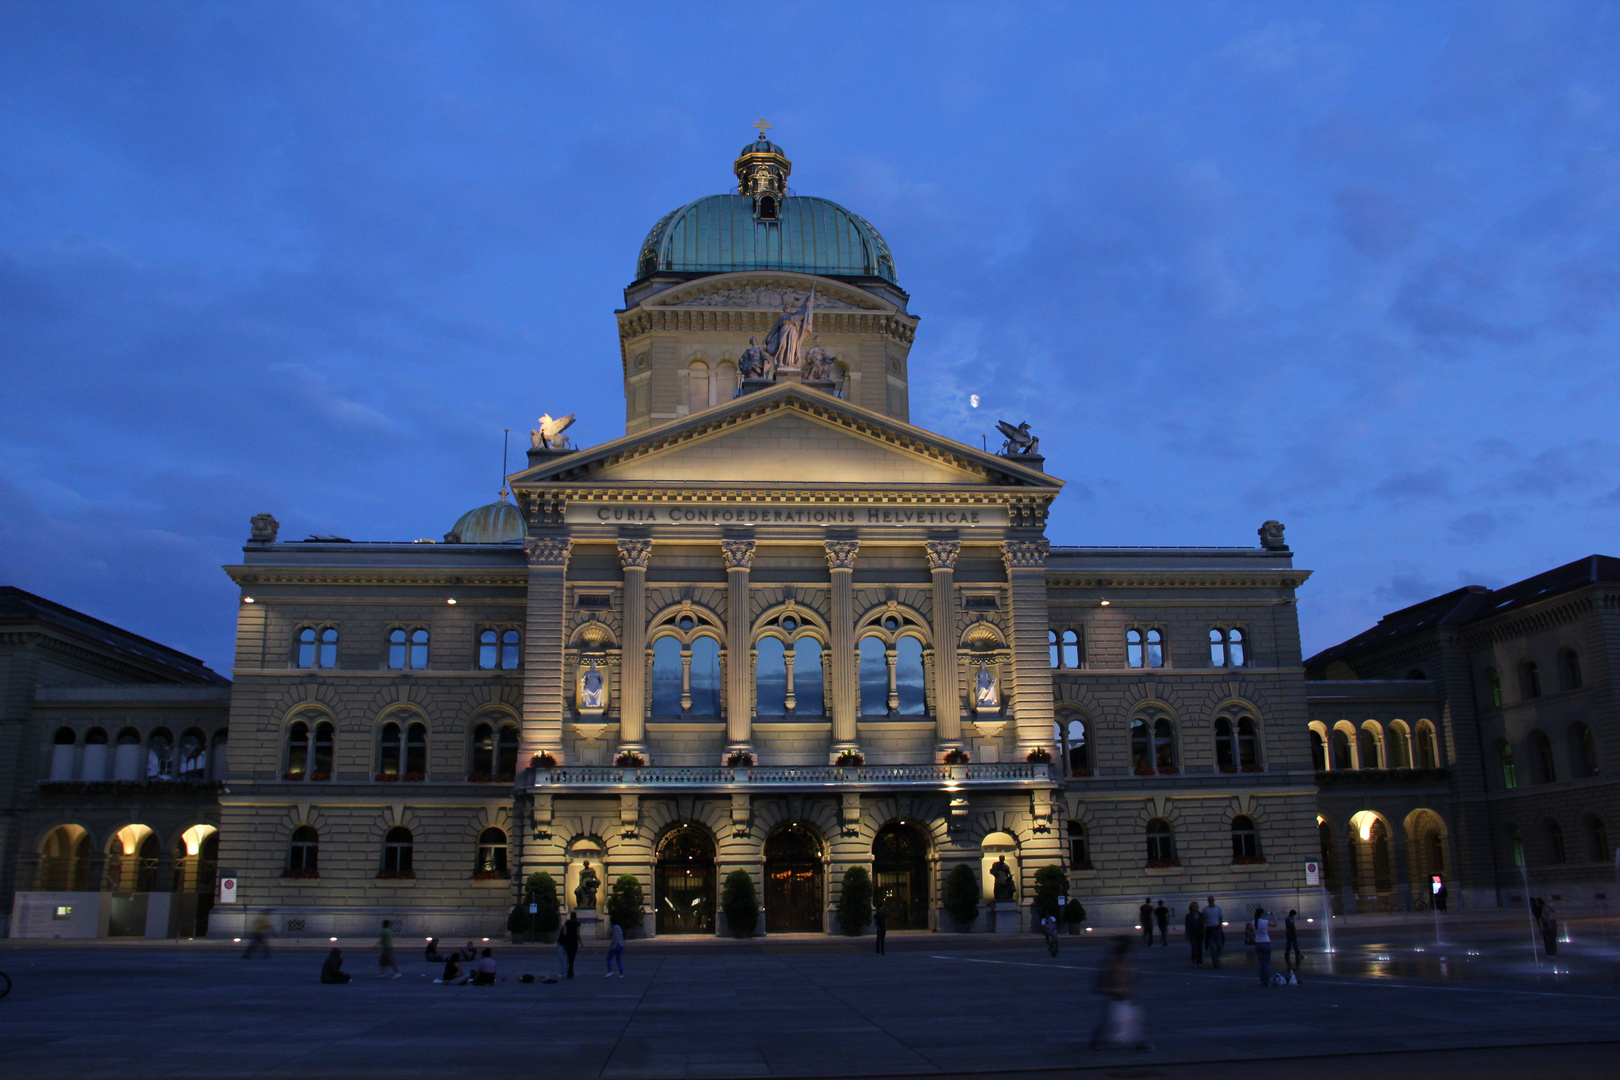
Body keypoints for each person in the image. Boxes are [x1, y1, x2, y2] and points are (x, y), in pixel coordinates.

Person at [1089, 937, 1149, 1052]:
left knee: (1130, 1019)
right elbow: (1115, 977)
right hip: (1118, 994)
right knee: (1116, 1020)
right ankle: (1096, 1043)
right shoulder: (1116, 962)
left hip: (1120, 994)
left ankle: (1139, 1043)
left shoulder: (1118, 961)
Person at [1253, 907, 1273, 987]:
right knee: (1266, 964)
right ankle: (1267, 981)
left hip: (1258, 943)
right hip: (1266, 942)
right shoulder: (1265, 922)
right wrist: (1273, 915)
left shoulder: (1253, 922)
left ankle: (1262, 980)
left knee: (1261, 964)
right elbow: (1275, 924)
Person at [1202, 896, 1224, 968]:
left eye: (1211, 899)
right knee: (1211, 946)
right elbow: (1204, 919)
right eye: (1209, 900)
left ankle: (1216, 957)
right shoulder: (1205, 909)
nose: (1211, 901)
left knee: (1219, 945)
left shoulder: (1218, 908)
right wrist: (1205, 927)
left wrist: (1220, 926)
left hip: (1217, 928)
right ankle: (1215, 961)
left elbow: (1220, 917)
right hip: (1209, 929)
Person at [561, 911, 581, 978]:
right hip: (574, 942)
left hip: (568, 942)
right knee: (572, 958)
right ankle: (570, 973)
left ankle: (569, 972)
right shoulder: (577, 924)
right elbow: (578, 934)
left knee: (569, 958)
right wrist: (581, 943)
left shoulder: (567, 923)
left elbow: (564, 933)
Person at [1184, 902, 1204, 967]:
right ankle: (1194, 958)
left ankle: (1199, 962)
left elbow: (1203, 923)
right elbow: (1187, 925)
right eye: (1194, 906)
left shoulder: (1201, 915)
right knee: (1194, 947)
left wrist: (1204, 930)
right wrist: (1187, 933)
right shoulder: (1188, 916)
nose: (1195, 907)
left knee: (1200, 948)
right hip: (1192, 933)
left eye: (1196, 906)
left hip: (1200, 933)